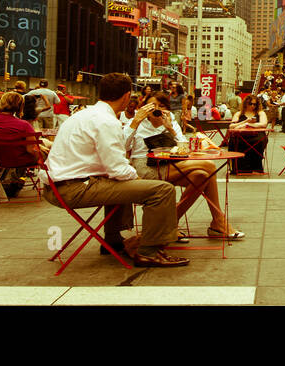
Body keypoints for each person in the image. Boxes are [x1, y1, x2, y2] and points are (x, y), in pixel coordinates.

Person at [44, 73, 187, 267]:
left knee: (120, 183)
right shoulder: (106, 121)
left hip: (58, 185)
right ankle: (149, 251)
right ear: (127, 96)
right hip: (74, 188)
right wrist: (138, 179)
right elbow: (117, 168)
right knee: (162, 190)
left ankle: (113, 239)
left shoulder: (82, 115)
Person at [127, 91, 242, 240]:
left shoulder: (171, 121)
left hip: (170, 164)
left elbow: (184, 147)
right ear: (144, 108)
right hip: (145, 168)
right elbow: (122, 146)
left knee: (202, 176)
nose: (156, 109)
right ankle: (218, 221)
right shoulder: (137, 122)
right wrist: (135, 121)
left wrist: (170, 129)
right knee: (209, 166)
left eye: (161, 106)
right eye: (152, 106)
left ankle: (172, 224)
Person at [0, 92, 49, 199]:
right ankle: (52, 186)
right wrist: (43, 152)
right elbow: (31, 150)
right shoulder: (24, 125)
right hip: (21, 160)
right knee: (49, 152)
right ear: (20, 106)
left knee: (44, 146)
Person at [228, 95, 269, 174]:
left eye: (255, 104)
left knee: (260, 141)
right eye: (250, 104)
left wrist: (250, 125)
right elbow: (231, 126)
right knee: (234, 141)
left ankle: (256, 168)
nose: (252, 106)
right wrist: (246, 122)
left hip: (256, 135)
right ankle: (238, 168)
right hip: (241, 135)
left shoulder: (261, 113)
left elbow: (263, 124)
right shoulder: (239, 113)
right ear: (245, 103)